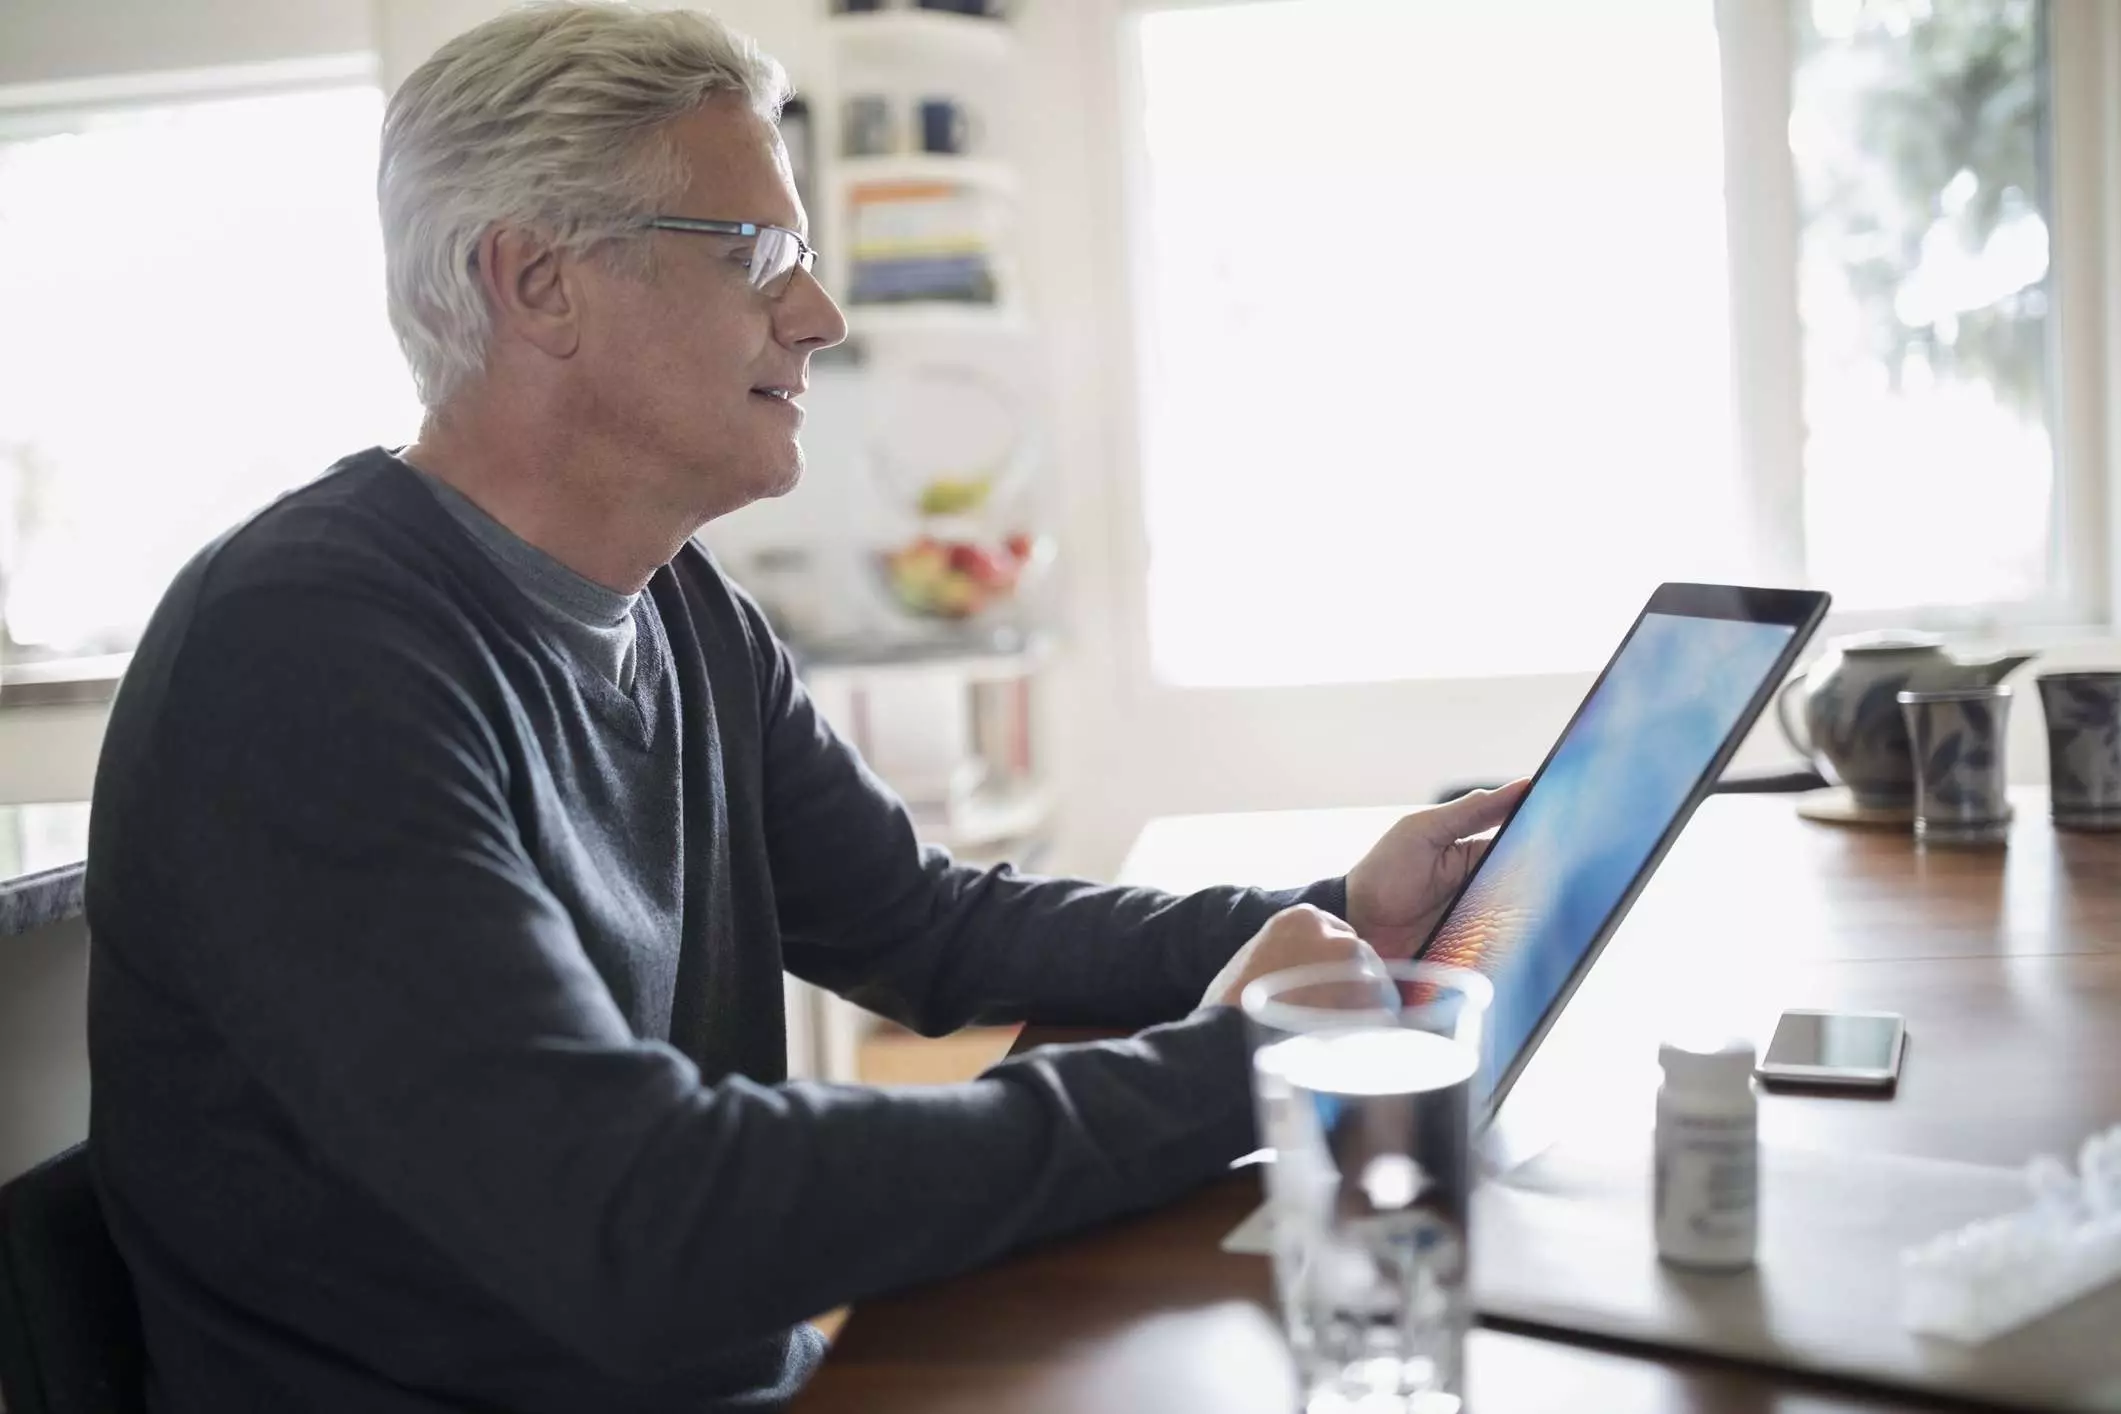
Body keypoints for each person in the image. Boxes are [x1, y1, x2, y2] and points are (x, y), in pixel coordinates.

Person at [82, 5, 1523, 1410]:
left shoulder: (683, 609)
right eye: (756, 253)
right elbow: (637, 1211)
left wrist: (1344, 905)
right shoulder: (308, 653)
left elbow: (929, 927)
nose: (821, 314)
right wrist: (1241, 1064)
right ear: (536, 285)